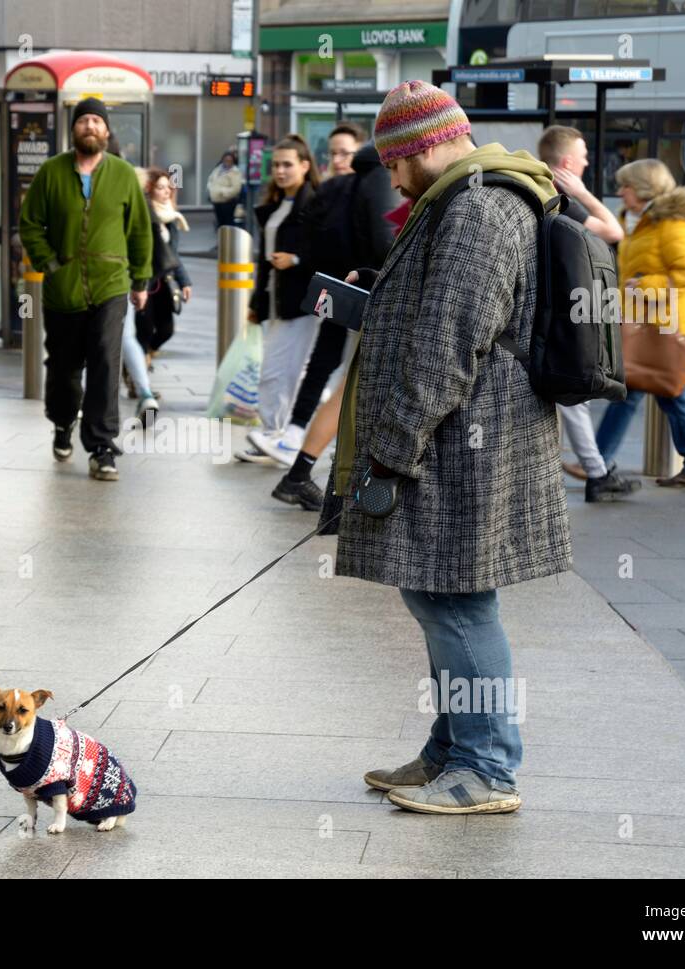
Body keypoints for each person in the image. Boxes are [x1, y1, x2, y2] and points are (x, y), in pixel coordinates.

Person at [323, 81, 571, 814]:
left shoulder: (480, 206)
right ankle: (450, 748)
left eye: (396, 162)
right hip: (459, 436)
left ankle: (488, 766)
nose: (391, 179)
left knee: (456, 600)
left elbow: (448, 342)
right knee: (436, 591)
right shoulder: (462, 201)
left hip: (466, 442)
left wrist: (392, 446)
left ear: (429, 144)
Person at [19, 97, 152, 481]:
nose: (90, 126)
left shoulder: (124, 174)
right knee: (63, 367)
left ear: (107, 131)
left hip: (111, 285)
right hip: (64, 290)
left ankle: (101, 446)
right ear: (73, 129)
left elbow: (141, 231)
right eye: (83, 121)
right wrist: (51, 263)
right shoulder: (50, 172)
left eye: (97, 121)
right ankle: (62, 422)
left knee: (106, 362)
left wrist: (141, 281)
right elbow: (30, 224)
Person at [248, 124, 395, 468]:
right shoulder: (335, 192)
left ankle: (301, 445)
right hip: (342, 289)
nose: (339, 159)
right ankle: (297, 441)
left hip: (355, 288)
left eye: (345, 152)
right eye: (333, 153)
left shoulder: (365, 187)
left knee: (341, 372)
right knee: (329, 367)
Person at [536, 124, 639, 502]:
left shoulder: (537, 188)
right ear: (566, 162)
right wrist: (581, 192)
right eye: (582, 156)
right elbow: (613, 232)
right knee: (574, 389)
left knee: (572, 395)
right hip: (562, 309)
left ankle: (596, 472)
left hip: (549, 305)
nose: (587, 161)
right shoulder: (563, 195)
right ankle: (596, 474)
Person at [595, 159, 685, 488]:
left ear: (644, 189)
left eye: (626, 186)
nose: (619, 192)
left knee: (649, 393)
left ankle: (599, 460)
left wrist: (645, 287)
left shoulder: (673, 224)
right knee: (663, 395)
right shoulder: (635, 222)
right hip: (646, 324)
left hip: (670, 325)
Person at [235, 134, 319, 464]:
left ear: (304, 166)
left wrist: (296, 260)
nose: (281, 171)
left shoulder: (314, 205)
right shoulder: (276, 205)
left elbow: (325, 253)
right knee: (279, 371)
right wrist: (257, 303)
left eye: (288, 164)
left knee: (278, 371)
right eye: (276, 165)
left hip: (299, 303)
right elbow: (264, 260)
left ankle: (277, 433)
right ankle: (274, 431)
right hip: (276, 300)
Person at [122, 167, 191, 425]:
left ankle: (138, 367)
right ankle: (141, 386)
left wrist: (184, 281)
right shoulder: (141, 213)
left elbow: (173, 255)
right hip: (142, 283)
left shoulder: (172, 219)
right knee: (138, 333)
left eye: (168, 187)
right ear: (149, 189)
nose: (166, 192)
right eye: (160, 187)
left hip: (164, 282)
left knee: (165, 330)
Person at [207, 150, 244, 228]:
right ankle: (221, 239)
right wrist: (211, 189)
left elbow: (236, 188)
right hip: (216, 201)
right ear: (223, 160)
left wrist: (223, 192)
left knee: (228, 223)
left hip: (227, 202)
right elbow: (210, 180)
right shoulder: (218, 169)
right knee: (220, 223)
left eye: (230, 161)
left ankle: (228, 239)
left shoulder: (235, 172)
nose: (228, 162)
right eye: (226, 160)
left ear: (233, 161)